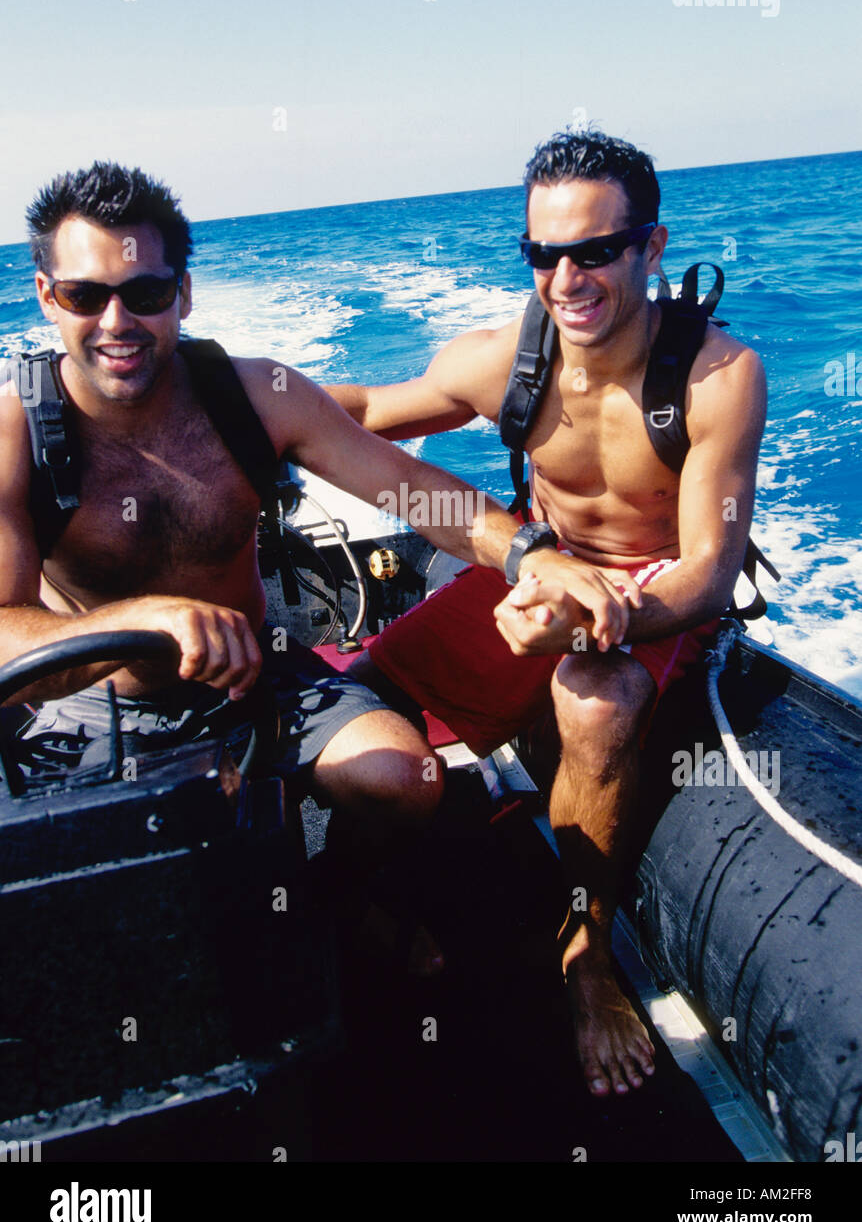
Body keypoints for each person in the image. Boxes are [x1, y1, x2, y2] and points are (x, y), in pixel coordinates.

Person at [0, 160, 625, 974]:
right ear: (49, 297)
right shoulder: (16, 432)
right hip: (90, 710)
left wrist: (530, 553)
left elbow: (413, 491)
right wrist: (140, 620)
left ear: (183, 294)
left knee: (405, 779)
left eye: (146, 294)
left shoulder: (255, 395)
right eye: (87, 296)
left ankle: (339, 905)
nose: (117, 321)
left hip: (257, 680)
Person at [327, 129, 767, 1094]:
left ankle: (584, 963)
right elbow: (360, 412)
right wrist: (238, 407)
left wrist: (595, 622)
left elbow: (705, 570)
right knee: (355, 704)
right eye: (543, 254)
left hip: (653, 596)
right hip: (540, 565)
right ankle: (363, 910)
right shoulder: (503, 362)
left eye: (595, 251)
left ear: (650, 248)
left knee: (595, 699)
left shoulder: (716, 378)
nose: (566, 278)